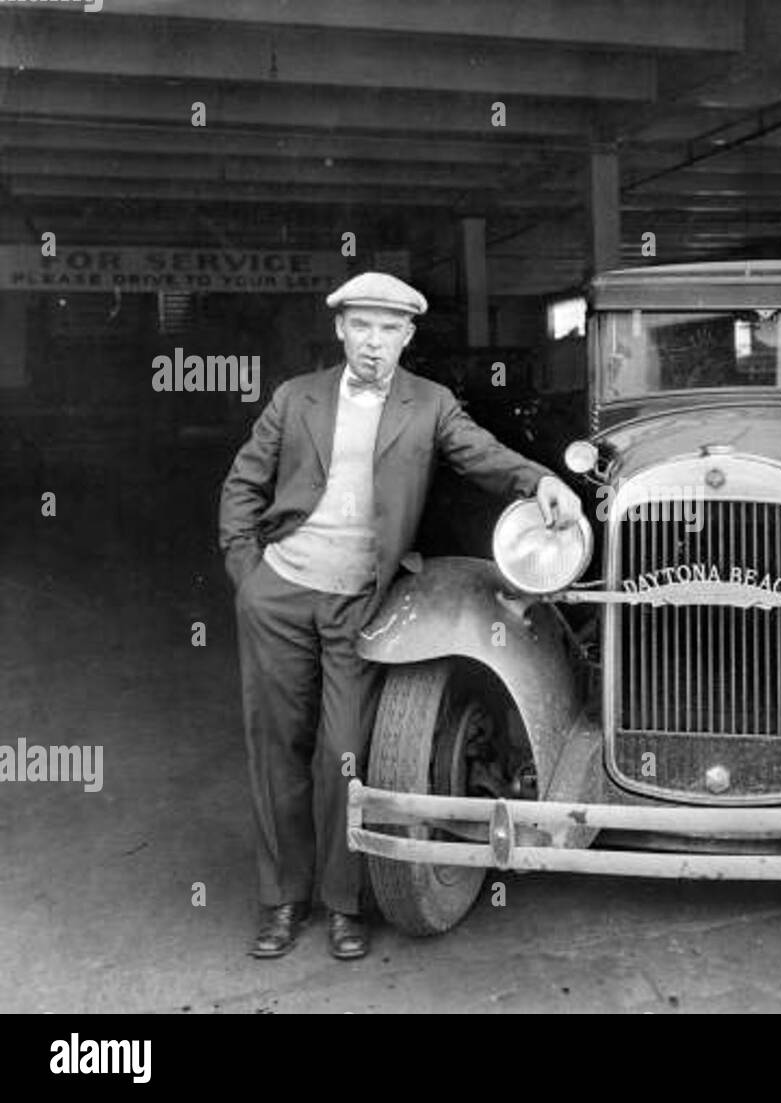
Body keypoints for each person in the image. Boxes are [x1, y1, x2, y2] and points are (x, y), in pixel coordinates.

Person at [218, 272, 582, 961]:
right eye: (362, 326)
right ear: (340, 329)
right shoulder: (295, 399)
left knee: (342, 751)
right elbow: (242, 484)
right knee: (277, 749)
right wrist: (249, 578)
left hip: (360, 601)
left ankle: (343, 902)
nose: (374, 343)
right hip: (282, 593)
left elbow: (483, 456)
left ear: (408, 336)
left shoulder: (431, 404)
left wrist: (541, 479)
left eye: (389, 329)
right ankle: (282, 901)